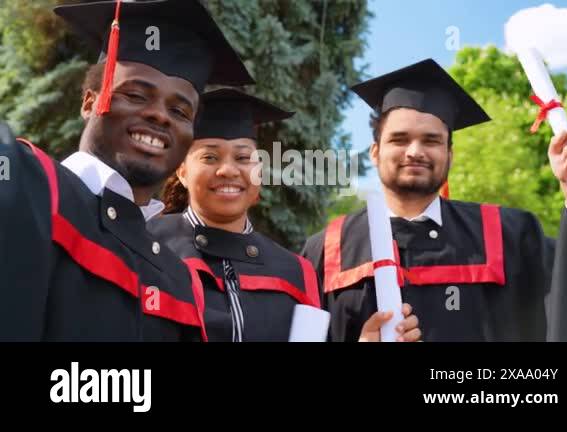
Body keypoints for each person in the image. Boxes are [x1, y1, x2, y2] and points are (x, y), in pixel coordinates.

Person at [301, 58, 567, 342]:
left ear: (450, 154)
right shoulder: (327, 251)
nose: (415, 151)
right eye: (399, 139)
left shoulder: (508, 235)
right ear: (375, 152)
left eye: (431, 140)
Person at [0, 0, 254, 341]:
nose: (160, 116)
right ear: (90, 103)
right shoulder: (24, 183)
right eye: (135, 94)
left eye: (180, 111)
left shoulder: (179, 280)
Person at [148, 88, 421, 342]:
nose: (228, 170)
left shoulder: (295, 272)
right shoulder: (147, 246)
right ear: (182, 171)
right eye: (209, 158)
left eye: (243, 158)